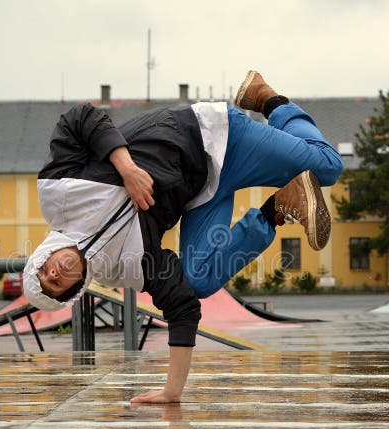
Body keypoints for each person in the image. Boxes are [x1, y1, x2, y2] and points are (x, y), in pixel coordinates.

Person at [22, 70, 343, 403]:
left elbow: (80, 118)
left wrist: (127, 169)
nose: (54, 273)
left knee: (328, 167)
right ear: (76, 288)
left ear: (43, 256)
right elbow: (182, 307)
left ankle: (270, 101)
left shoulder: (60, 193)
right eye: (56, 284)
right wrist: (171, 391)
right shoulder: (124, 267)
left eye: (44, 270)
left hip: (211, 137)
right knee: (197, 281)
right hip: (202, 192)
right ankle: (278, 206)